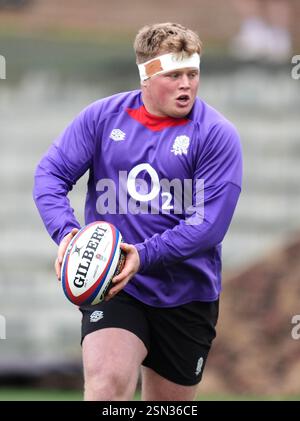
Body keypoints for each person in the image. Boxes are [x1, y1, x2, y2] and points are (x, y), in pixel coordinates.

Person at [33, 22, 243, 401]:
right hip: (115, 286)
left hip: (187, 293)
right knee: (106, 388)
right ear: (146, 76)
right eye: (174, 75)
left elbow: (210, 224)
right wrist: (67, 234)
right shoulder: (102, 118)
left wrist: (143, 256)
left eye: (192, 74)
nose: (187, 85)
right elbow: (50, 174)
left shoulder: (215, 134)